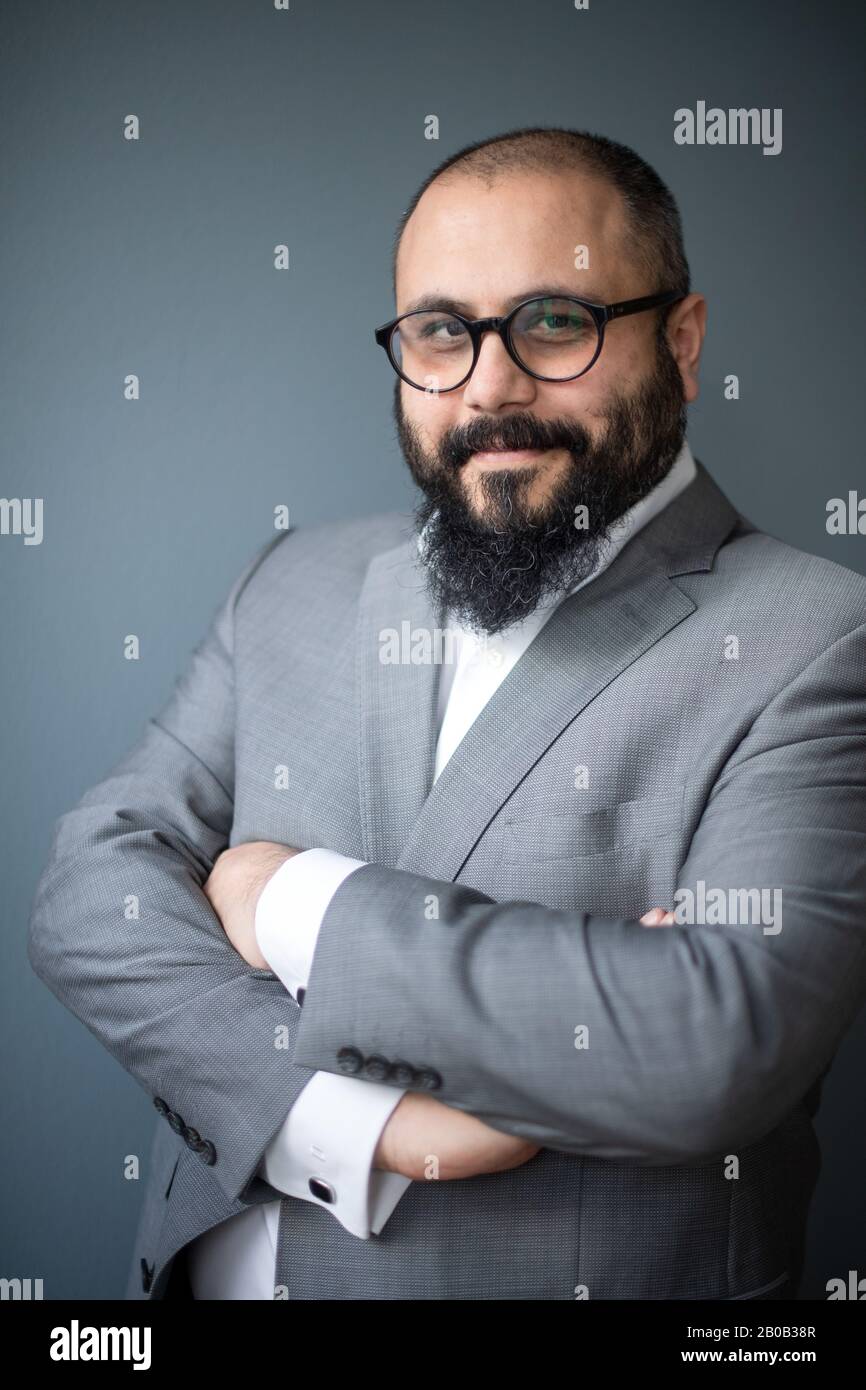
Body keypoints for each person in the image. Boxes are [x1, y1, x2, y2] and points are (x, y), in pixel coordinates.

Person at [28, 127, 866, 1301]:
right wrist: (343, 1121)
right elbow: (92, 889)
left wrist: (290, 900)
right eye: (439, 331)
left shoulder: (820, 639)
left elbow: (710, 1044)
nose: (487, 384)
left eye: (554, 321)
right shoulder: (293, 579)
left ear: (680, 344)